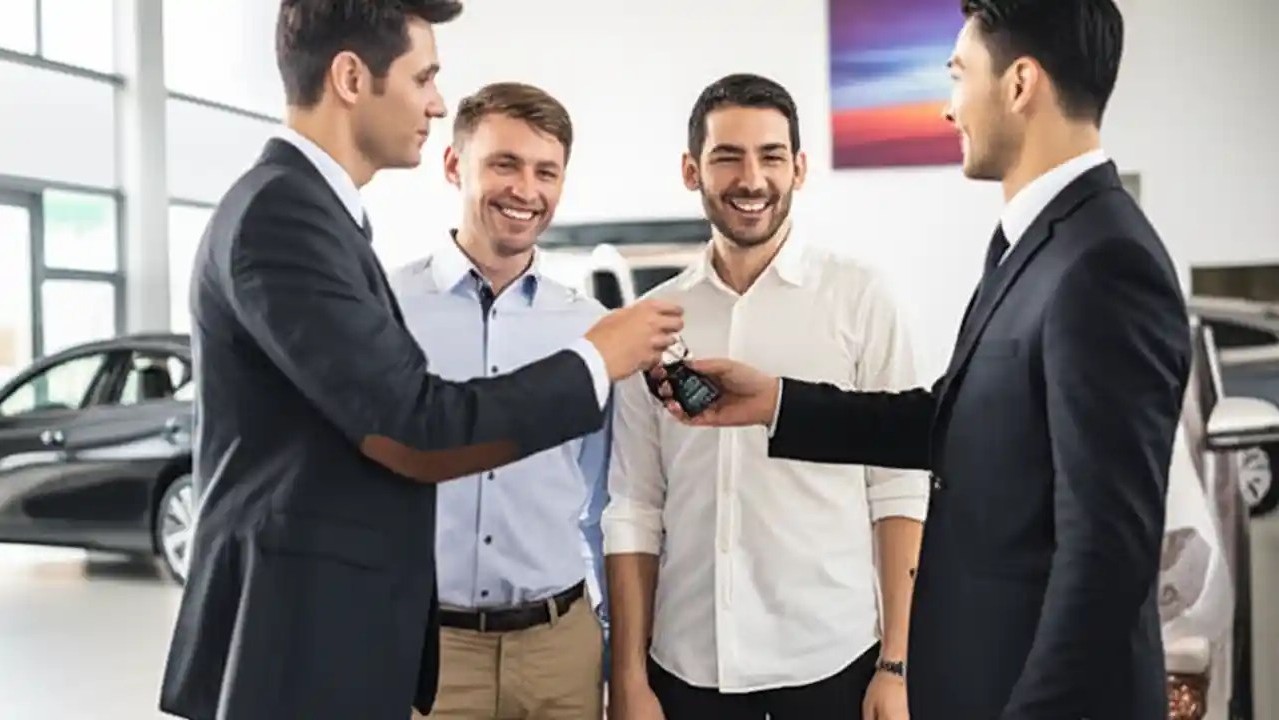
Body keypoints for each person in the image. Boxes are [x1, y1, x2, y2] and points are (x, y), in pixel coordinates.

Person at [655, 2, 1191, 719]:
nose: (948, 108)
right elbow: (960, 418)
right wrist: (776, 402)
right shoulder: (1037, 247)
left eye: (958, 75)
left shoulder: (1104, 261)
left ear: (1020, 84)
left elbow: (1108, 558)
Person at [157, 3, 683, 719]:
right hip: (301, 645)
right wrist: (596, 358)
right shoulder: (284, 215)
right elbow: (415, 428)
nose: (435, 101)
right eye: (423, 76)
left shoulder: (313, 215)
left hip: (359, 636)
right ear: (350, 76)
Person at [605, 73, 928, 720]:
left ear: (799, 168)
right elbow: (635, 505)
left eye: (771, 156)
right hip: (686, 668)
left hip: (829, 663)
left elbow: (897, 487)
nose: (751, 179)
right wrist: (631, 681)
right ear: (691, 169)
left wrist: (895, 664)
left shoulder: (860, 297)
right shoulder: (651, 319)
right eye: (727, 157)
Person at [389, 81, 611, 719]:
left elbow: (603, 501)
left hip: (559, 651)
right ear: (454, 165)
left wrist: (615, 641)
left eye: (547, 171)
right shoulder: (385, 310)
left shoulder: (590, 328)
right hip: (428, 649)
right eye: (504, 164)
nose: (526, 190)